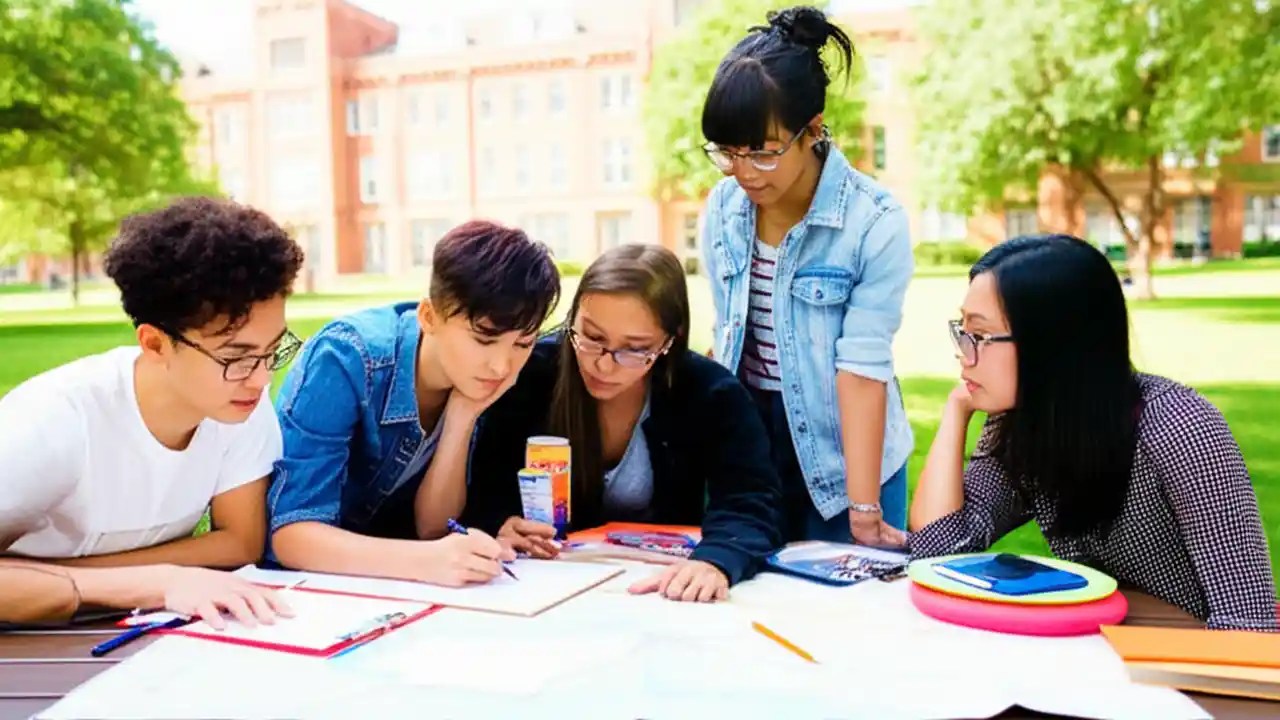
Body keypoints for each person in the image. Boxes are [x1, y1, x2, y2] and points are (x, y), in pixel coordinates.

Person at [909, 234, 1277, 632]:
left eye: (979, 336)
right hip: (1103, 656)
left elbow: (1247, 620)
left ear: (1050, 345)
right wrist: (955, 410)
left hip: (1193, 667)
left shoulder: (1178, 425)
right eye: (961, 332)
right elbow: (937, 550)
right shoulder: (1022, 423)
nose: (964, 354)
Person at [0, 197, 303, 627]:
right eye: (235, 357)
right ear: (156, 344)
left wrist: (65, 579)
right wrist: (155, 581)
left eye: (273, 352)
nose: (260, 380)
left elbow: (240, 541)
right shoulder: (54, 422)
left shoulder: (237, 405)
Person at [458, 244, 784, 603]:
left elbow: (750, 500)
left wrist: (716, 562)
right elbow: (479, 486)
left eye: (634, 349)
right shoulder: (528, 374)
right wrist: (498, 522)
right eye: (592, 338)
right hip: (538, 588)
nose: (604, 365)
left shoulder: (709, 393)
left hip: (658, 590)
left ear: (668, 342)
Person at [699, 5, 914, 546]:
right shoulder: (723, 209)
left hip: (846, 451)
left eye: (762, 152)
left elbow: (863, 368)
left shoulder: (872, 221)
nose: (744, 171)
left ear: (813, 130)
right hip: (751, 446)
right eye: (727, 153)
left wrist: (863, 506)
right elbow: (725, 339)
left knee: (850, 614)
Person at [268, 220, 560, 587]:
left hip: (385, 587)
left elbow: (432, 529)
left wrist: (462, 416)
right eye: (484, 340)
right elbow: (291, 536)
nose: (502, 366)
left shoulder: (475, 379)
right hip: (301, 592)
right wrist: (426, 561)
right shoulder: (347, 358)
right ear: (429, 317)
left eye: (523, 344)